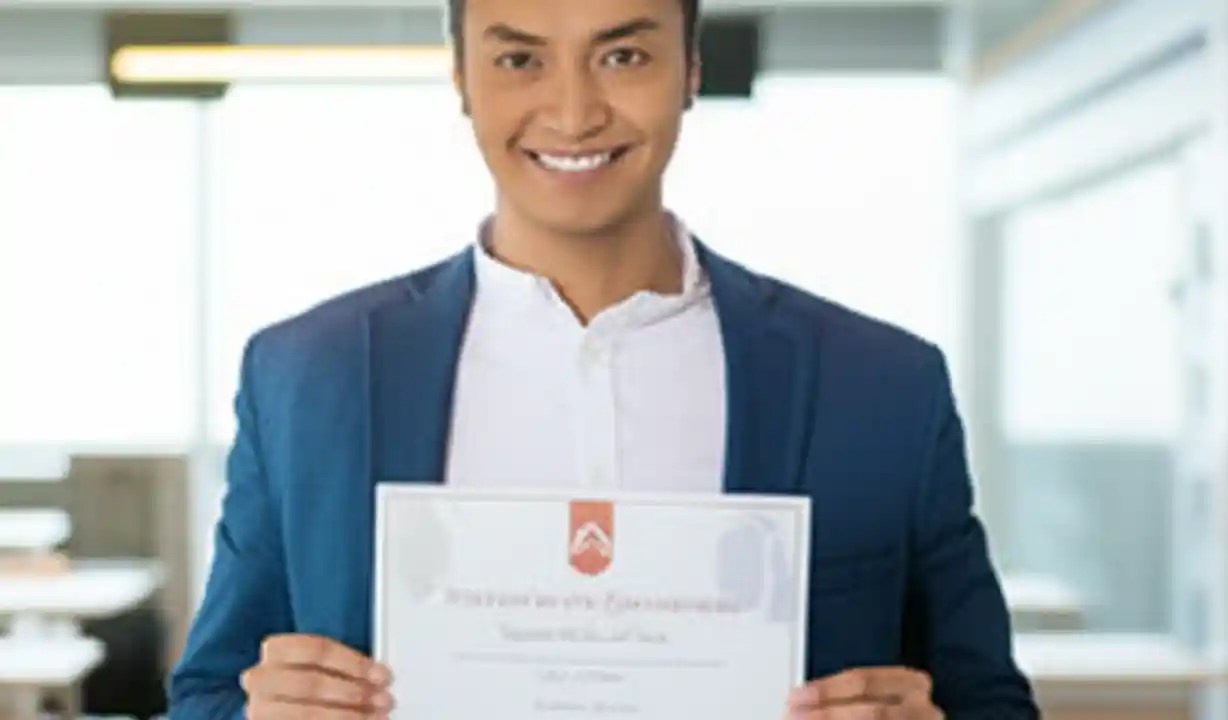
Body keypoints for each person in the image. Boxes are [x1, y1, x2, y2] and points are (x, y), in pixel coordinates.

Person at [169, 0, 1039, 717]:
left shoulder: (883, 387)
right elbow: (207, 692)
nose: (574, 111)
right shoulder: (305, 377)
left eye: (623, 57)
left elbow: (989, 703)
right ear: (462, 78)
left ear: (691, 69)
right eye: (520, 61)